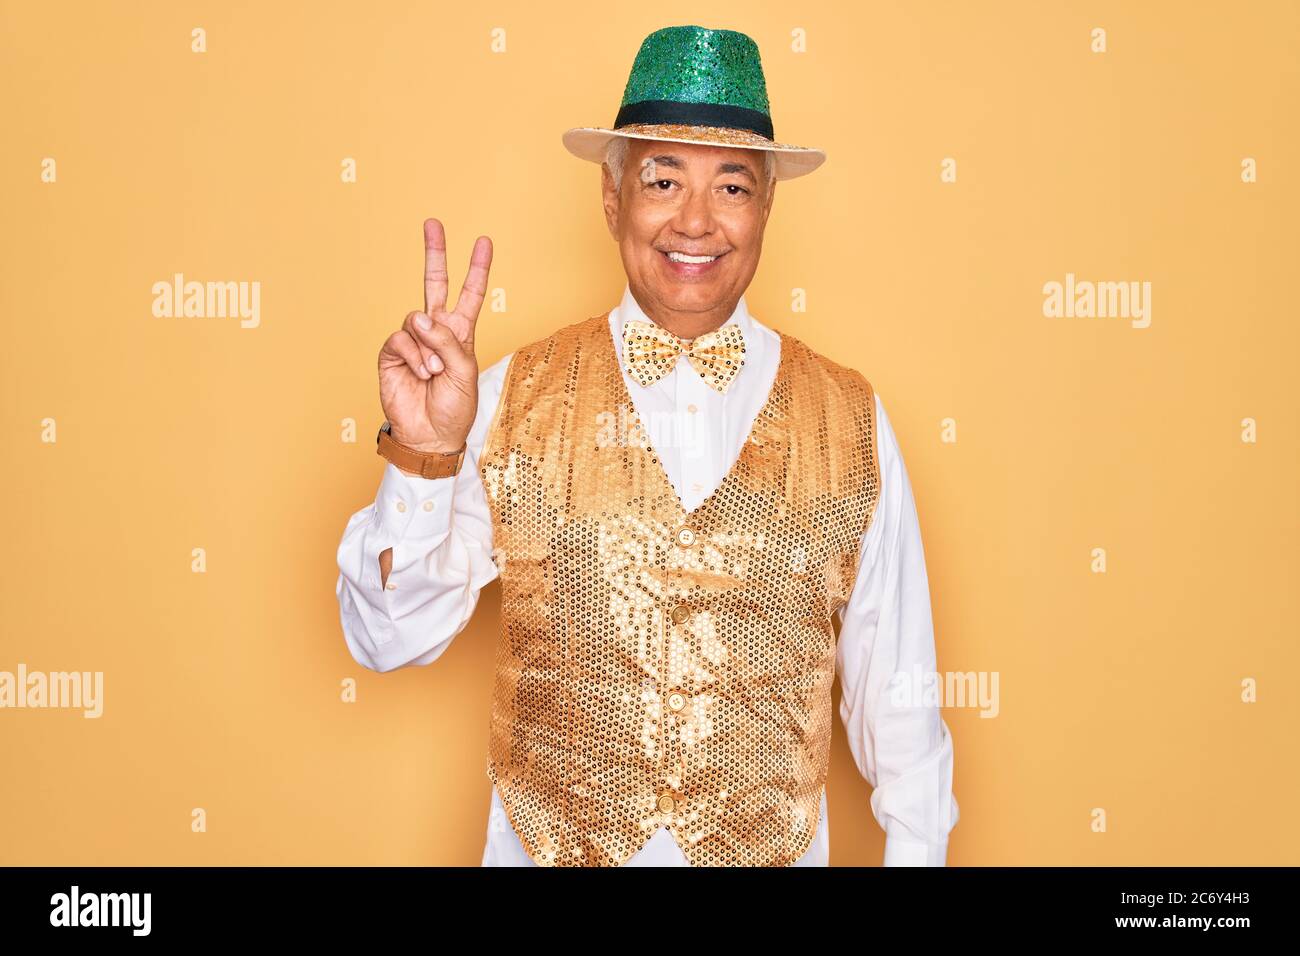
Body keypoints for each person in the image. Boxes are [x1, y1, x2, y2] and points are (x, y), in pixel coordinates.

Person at [335, 24, 958, 867]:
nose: (695, 222)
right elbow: (385, 642)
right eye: (663, 180)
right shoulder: (507, 395)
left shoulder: (849, 417)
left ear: (767, 205)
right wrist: (424, 456)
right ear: (611, 197)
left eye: (731, 187)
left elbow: (901, 702)